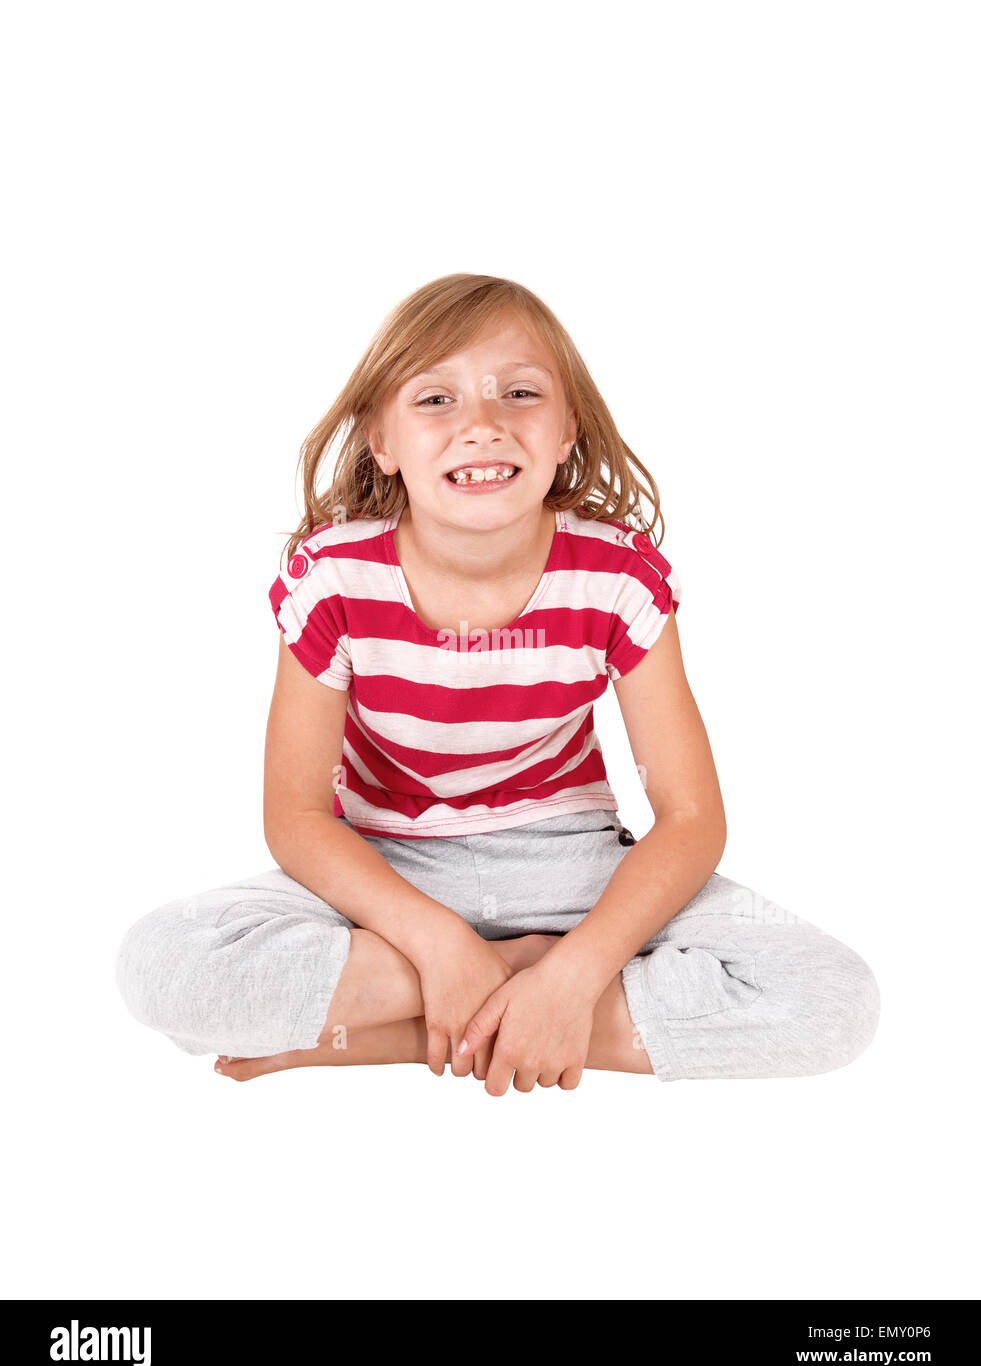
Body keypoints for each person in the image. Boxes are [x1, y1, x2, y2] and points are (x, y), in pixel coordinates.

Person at [115, 273, 880, 1093]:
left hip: (574, 872)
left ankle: (396, 1034)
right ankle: (514, 989)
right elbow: (296, 816)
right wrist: (441, 945)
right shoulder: (331, 578)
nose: (481, 426)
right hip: (387, 872)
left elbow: (690, 818)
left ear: (564, 432)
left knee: (833, 1002)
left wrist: (580, 965)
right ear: (383, 442)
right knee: (163, 967)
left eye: (518, 393)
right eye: (436, 401)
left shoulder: (618, 576)